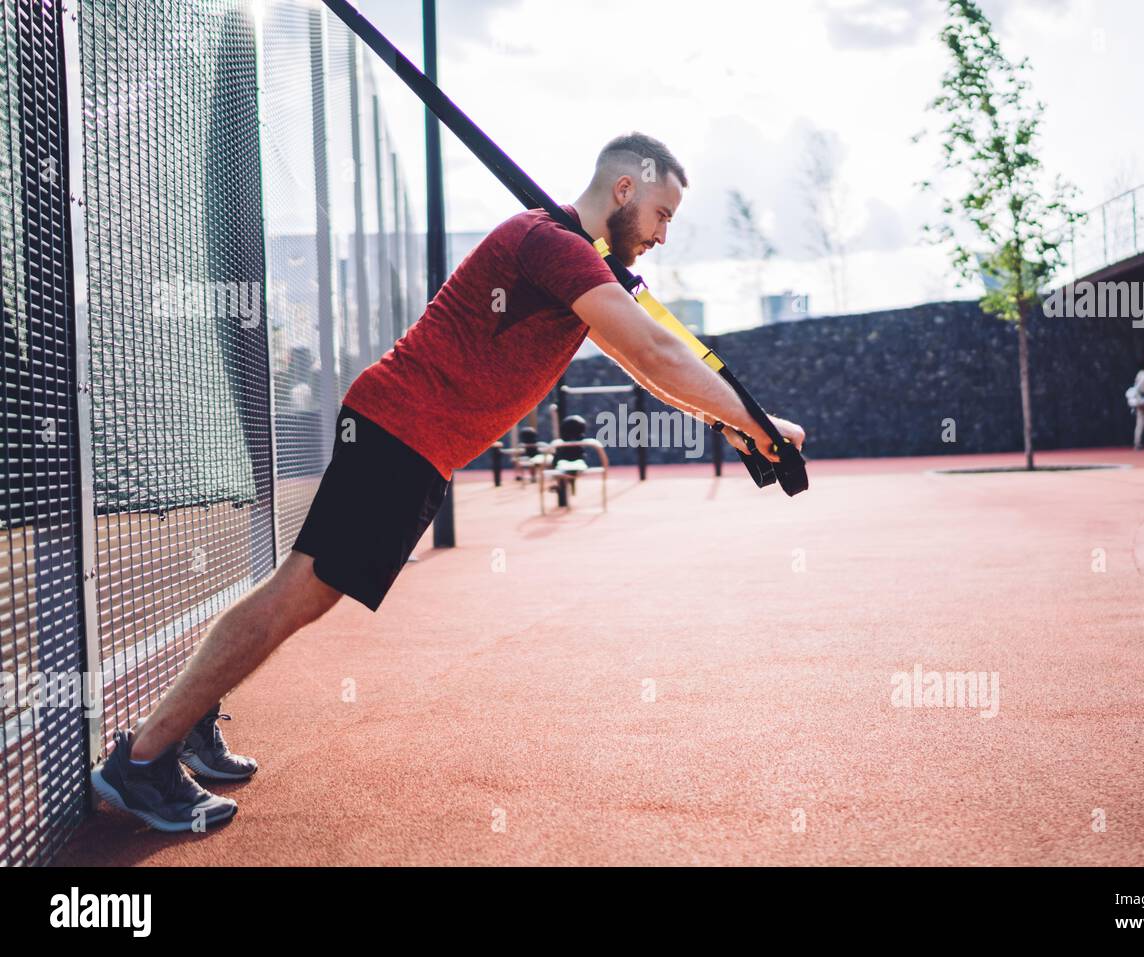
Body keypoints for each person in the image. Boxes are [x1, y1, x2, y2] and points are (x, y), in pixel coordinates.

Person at [91, 132, 806, 832]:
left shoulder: (574, 259)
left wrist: (734, 424)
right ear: (625, 189)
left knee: (306, 594)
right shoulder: (550, 244)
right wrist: (761, 421)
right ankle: (143, 759)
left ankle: (192, 718)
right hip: (398, 432)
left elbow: (644, 362)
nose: (662, 235)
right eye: (662, 215)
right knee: (299, 592)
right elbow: (649, 344)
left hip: (414, 442)